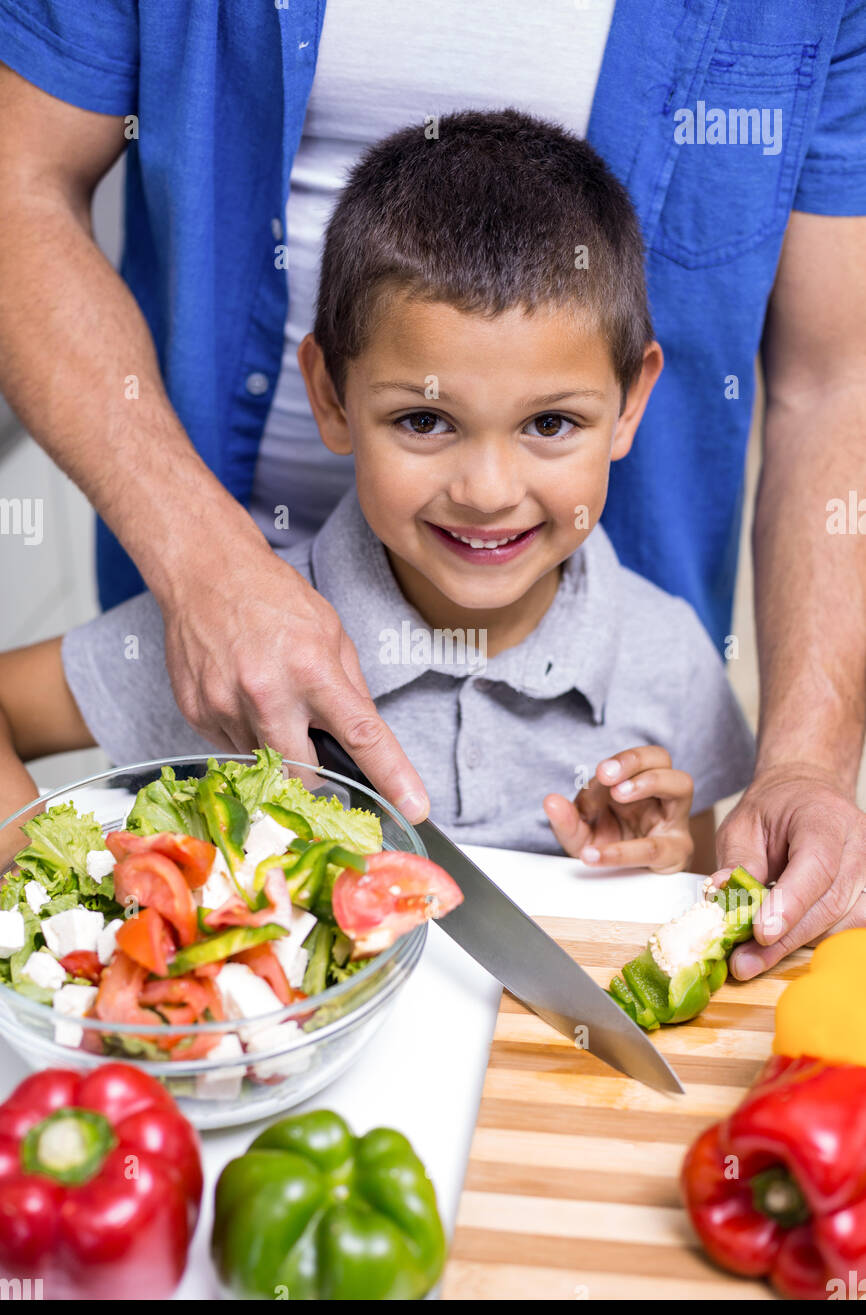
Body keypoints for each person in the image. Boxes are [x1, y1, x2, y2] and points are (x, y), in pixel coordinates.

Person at [0, 3, 865, 968]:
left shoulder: (668, 657)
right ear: (327, 392)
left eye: (550, 423)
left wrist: (651, 864)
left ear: (631, 404)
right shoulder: (220, 659)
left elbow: (695, 859)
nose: (489, 491)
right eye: (425, 420)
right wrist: (49, 915)